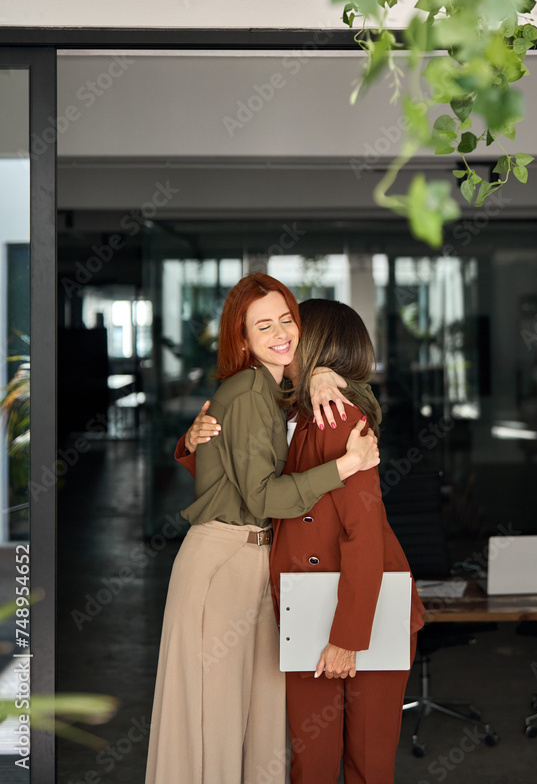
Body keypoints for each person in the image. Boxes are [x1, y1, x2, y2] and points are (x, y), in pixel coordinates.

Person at [145, 274, 379, 784]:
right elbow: (259, 493)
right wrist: (344, 466)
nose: (281, 334)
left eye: (288, 321)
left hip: (276, 571)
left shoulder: (295, 400)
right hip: (233, 560)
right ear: (243, 339)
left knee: (261, 726)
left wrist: (321, 376)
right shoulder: (256, 394)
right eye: (263, 325)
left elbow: (249, 466)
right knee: (221, 723)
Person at [183, 297, 424, 784]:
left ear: (313, 344)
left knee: (368, 763)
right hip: (304, 605)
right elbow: (249, 485)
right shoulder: (283, 408)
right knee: (309, 763)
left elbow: (364, 535)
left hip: (360, 608)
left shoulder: (338, 416)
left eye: (292, 331)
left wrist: (347, 638)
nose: (280, 340)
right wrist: (194, 443)